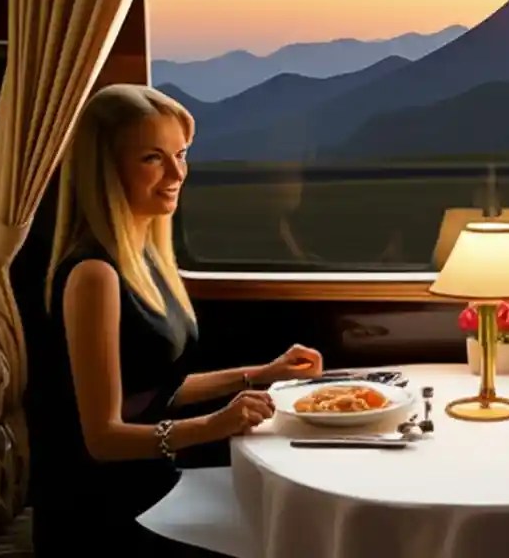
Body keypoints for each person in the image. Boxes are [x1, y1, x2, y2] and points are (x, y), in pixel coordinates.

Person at [28, 84, 326, 555]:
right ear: (106, 170)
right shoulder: (93, 274)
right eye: (153, 158)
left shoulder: (144, 256)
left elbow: (149, 388)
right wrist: (215, 425)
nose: (177, 173)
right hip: (106, 512)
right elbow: (103, 438)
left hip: (152, 485)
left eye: (181, 154)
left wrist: (261, 373)